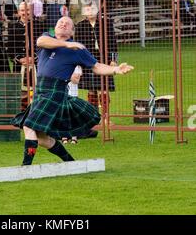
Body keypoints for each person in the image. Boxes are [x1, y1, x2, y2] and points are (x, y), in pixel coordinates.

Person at [11, 16, 133, 166]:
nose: (63, 24)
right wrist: (66, 45)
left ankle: (26, 167)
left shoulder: (78, 50)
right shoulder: (47, 38)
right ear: (54, 27)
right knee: (42, 137)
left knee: (29, 126)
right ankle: (71, 163)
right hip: (40, 90)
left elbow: (96, 66)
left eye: (67, 24)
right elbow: (40, 41)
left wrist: (115, 69)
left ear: (72, 31)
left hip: (55, 90)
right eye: (60, 22)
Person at [75, 3, 118, 128]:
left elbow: (113, 42)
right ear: (84, 11)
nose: (90, 11)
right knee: (91, 89)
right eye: (87, 9)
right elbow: (78, 45)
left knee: (104, 89)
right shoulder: (80, 25)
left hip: (104, 59)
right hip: (88, 60)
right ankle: (94, 118)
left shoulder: (106, 23)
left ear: (97, 10)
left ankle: (106, 117)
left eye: (93, 8)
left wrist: (113, 59)